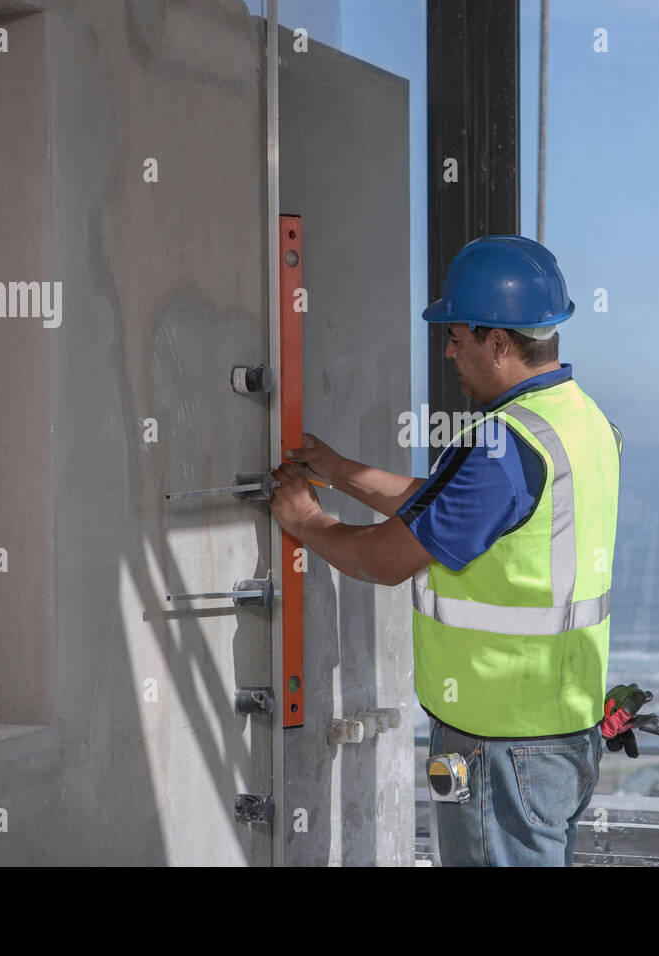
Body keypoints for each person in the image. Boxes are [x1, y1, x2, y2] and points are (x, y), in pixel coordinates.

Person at [268, 235, 622, 866]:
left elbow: (386, 557)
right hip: (561, 732)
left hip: (501, 745)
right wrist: (340, 470)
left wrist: (307, 521)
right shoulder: (581, 422)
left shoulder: (506, 446)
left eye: (456, 337)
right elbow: (452, 511)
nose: (450, 352)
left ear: (499, 342)